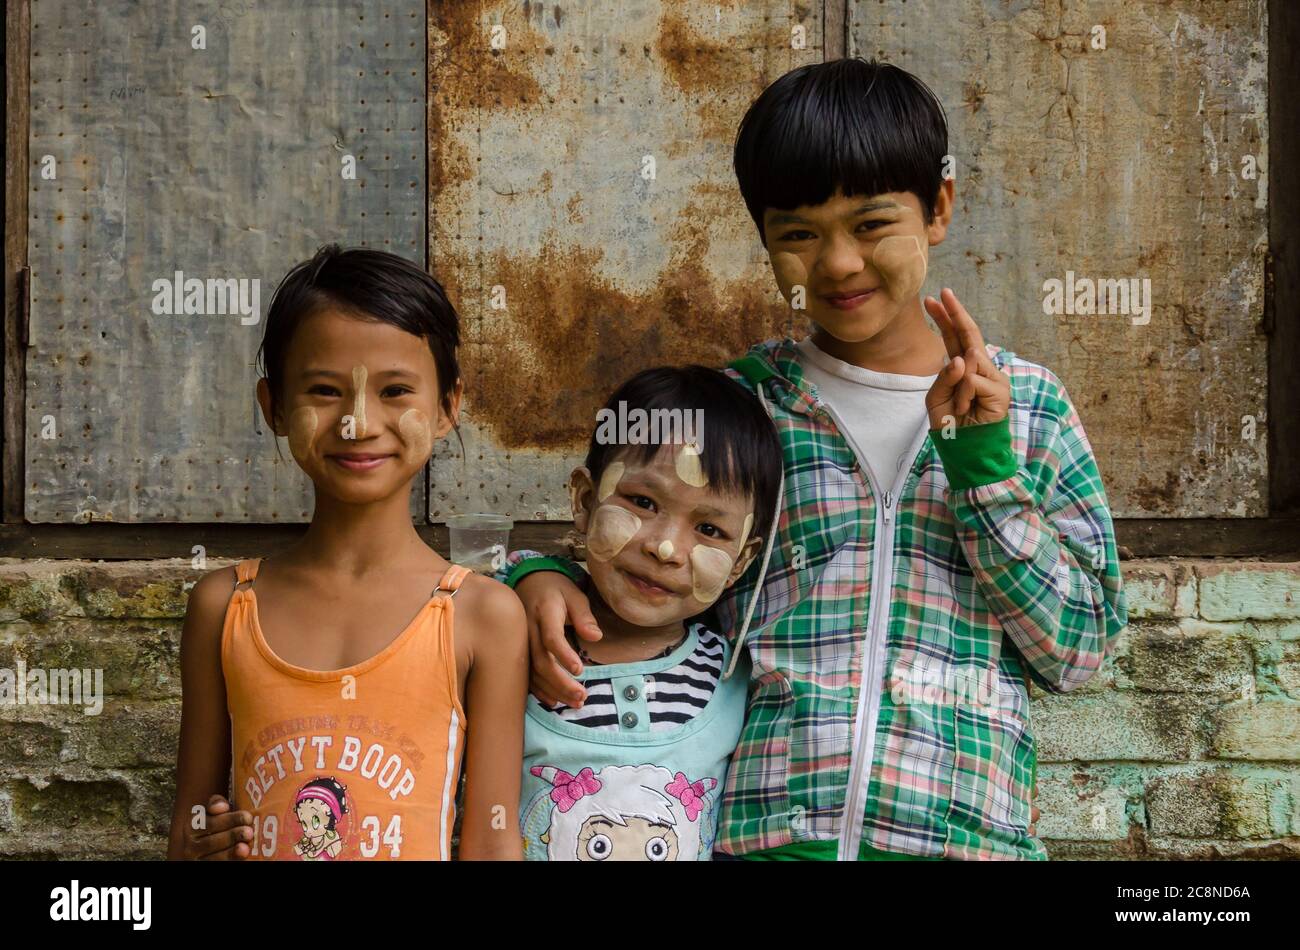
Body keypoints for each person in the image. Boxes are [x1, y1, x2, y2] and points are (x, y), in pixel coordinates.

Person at [508, 59, 1127, 860]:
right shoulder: (742, 408)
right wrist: (535, 576)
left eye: (871, 225)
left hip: (964, 841)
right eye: (799, 234)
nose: (836, 263)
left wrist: (983, 472)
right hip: (767, 839)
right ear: (765, 238)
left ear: (937, 208)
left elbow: (1078, 652)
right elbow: (638, 553)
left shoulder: (1030, 409)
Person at [167, 245, 528, 860]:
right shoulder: (225, 607)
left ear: (447, 407)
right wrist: (206, 845)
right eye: (325, 391)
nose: (358, 423)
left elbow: (493, 841)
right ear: (274, 405)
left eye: (394, 391)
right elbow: (190, 830)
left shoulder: (480, 615)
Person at [504, 366, 782, 860]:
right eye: (643, 502)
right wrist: (533, 573)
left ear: (741, 561)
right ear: (586, 500)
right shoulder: (524, 636)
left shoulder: (736, 675)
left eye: (711, 531)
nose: (667, 547)